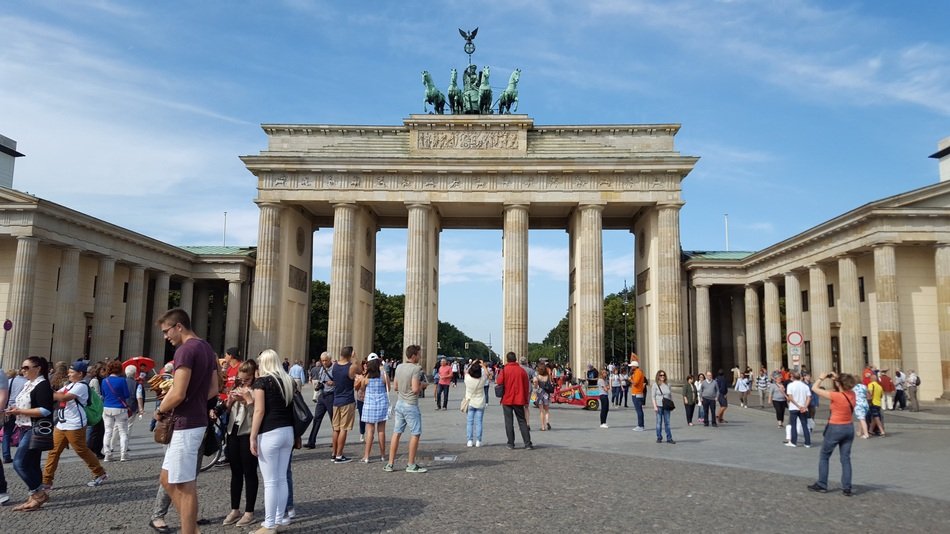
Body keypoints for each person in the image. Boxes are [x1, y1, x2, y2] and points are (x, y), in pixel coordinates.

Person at [153, 308, 219, 534]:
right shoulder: (206, 348)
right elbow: (214, 388)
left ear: (178, 326)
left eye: (166, 331)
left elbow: (178, 392)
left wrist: (161, 409)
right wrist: (196, 398)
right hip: (195, 419)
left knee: (184, 484)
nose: (165, 337)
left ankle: (189, 531)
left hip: (185, 423)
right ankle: (191, 527)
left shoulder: (184, 351)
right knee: (167, 479)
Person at [42, 360, 108, 490]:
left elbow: (64, 397)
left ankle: (100, 473)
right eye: (69, 371)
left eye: (72, 372)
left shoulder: (81, 386)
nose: (69, 374)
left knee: (81, 450)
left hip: (75, 424)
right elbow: (56, 394)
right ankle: (46, 481)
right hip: (62, 423)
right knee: (53, 452)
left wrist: (46, 391)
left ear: (80, 374)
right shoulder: (70, 385)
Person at [249, 350, 295, 533]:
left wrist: (252, 436)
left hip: (269, 432)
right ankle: (278, 519)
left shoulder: (262, 382)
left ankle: (268, 525)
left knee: (270, 482)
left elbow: (259, 411)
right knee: (282, 478)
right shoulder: (288, 381)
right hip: (288, 432)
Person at [8, 356, 54, 511]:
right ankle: (33, 497)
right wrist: (14, 410)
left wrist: (20, 411)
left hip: (35, 428)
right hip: (24, 426)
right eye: (22, 367)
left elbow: (45, 410)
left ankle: (38, 494)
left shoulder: (42, 385)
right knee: (32, 464)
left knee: (19, 463)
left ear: (38, 368)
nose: (23, 370)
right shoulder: (29, 384)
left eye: (26, 367)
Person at [222, 359, 259, 527]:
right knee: (235, 472)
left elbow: (258, 414)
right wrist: (230, 402)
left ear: (254, 376)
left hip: (248, 432)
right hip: (233, 431)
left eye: (246, 380)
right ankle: (234, 509)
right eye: (241, 379)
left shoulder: (258, 390)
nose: (243, 382)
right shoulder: (236, 387)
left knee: (249, 472)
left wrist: (247, 400)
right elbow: (228, 411)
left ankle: (249, 511)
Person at [808, 372, 857, 496]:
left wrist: (821, 378)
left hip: (835, 427)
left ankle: (822, 484)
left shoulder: (836, 396)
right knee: (845, 458)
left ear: (840, 384)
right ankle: (847, 487)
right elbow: (843, 386)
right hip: (849, 427)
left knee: (824, 456)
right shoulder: (852, 394)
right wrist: (837, 379)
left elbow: (814, 388)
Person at [385, 344, 429, 473]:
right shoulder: (416, 369)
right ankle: (411, 464)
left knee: (396, 433)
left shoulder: (399, 367)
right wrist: (423, 385)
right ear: (414, 355)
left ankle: (390, 463)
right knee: (415, 433)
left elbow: (396, 387)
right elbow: (415, 389)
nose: (420, 356)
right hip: (410, 404)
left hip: (400, 403)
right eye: (419, 354)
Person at [330, 346, 361, 464]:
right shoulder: (351, 367)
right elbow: (360, 370)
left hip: (336, 400)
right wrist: (355, 358)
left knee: (336, 429)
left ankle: (334, 453)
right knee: (344, 428)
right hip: (347, 400)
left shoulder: (335, 366)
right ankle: (339, 455)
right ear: (350, 354)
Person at [359, 354, 390, 463]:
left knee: (370, 432)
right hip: (382, 403)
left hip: (369, 405)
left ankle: (366, 456)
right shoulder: (383, 375)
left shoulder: (366, 377)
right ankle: (382, 455)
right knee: (381, 431)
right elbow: (388, 388)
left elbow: (362, 389)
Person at [497, 352, 533, 449]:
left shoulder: (504, 370)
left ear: (507, 359)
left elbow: (499, 382)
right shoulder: (522, 371)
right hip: (519, 399)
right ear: (515, 359)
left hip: (507, 399)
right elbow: (526, 386)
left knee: (509, 422)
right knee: (522, 421)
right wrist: (526, 400)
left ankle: (510, 444)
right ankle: (527, 443)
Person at [101, 360, 132, 462]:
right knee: (123, 432)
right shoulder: (122, 380)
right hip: (120, 408)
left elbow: (103, 394)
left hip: (107, 407)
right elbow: (127, 395)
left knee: (108, 431)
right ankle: (123, 454)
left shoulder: (104, 381)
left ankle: (107, 454)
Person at [304, 352, 334, 449]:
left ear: (330, 360)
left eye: (326, 360)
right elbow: (321, 380)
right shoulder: (322, 368)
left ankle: (335, 440)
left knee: (333, 420)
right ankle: (311, 441)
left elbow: (340, 382)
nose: (324, 362)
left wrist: (333, 383)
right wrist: (319, 385)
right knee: (316, 418)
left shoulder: (334, 369)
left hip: (331, 396)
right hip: (322, 395)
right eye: (322, 360)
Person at [463, 360, 487, 446]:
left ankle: (469, 440)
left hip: (470, 402)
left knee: (470, 422)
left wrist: (472, 364)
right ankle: (478, 441)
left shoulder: (467, 378)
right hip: (480, 402)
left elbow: (466, 371)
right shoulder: (482, 379)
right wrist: (483, 365)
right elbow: (488, 374)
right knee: (479, 422)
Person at [785, 371, 812, 448]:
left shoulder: (790, 385)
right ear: (800, 377)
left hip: (794, 407)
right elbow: (809, 397)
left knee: (793, 425)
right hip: (803, 408)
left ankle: (793, 442)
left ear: (792, 377)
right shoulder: (805, 386)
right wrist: (804, 406)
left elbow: (790, 397)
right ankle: (807, 443)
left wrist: (798, 406)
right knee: (805, 425)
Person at [652, 370, 675, 444]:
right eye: (661, 375)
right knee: (659, 422)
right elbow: (653, 397)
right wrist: (655, 406)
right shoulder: (655, 385)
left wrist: (671, 405)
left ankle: (669, 438)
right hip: (659, 406)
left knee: (667, 423)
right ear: (658, 376)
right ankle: (659, 437)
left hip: (667, 406)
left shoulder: (668, 384)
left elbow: (670, 395)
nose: (662, 377)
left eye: (663, 375)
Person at [534, 364, 553, 431]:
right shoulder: (548, 376)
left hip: (540, 394)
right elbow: (550, 383)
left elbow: (535, 386)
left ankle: (543, 426)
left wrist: (535, 385)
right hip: (546, 394)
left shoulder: (537, 377)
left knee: (541, 411)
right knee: (547, 410)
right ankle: (547, 422)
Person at [629, 360, 646, 431]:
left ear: (635, 366)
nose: (631, 367)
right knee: (639, 410)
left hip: (637, 393)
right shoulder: (637, 372)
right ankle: (640, 425)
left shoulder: (638, 372)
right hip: (637, 393)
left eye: (632, 366)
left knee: (639, 410)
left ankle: (640, 425)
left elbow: (635, 383)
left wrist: (630, 379)